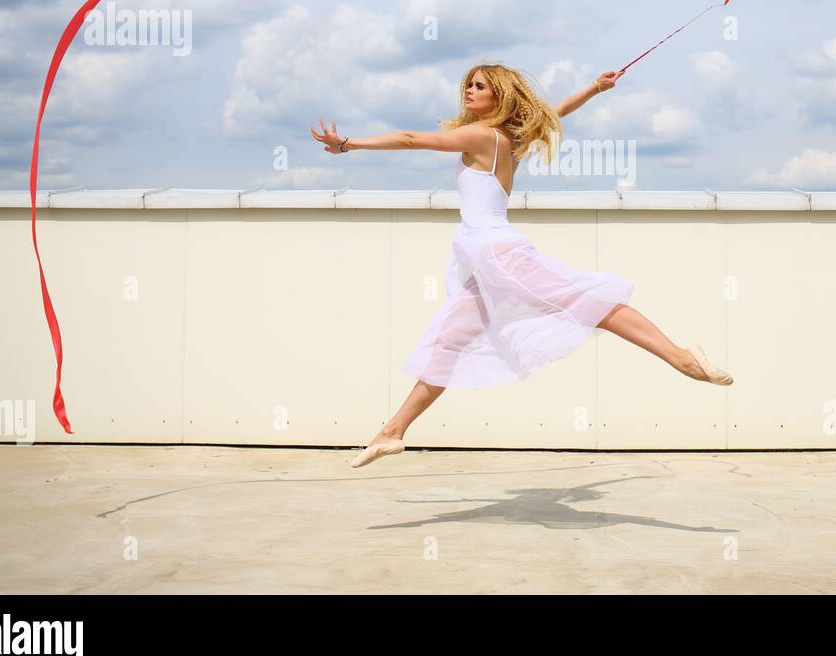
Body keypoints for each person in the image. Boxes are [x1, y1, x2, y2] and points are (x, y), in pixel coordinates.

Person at [310, 64, 732, 469]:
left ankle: (682, 357)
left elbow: (408, 139)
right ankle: (393, 431)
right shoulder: (506, 137)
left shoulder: (482, 137)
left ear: (499, 94)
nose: (469, 91)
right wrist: (594, 89)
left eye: (479, 86)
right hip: (483, 262)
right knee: (450, 343)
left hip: (500, 253)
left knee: (589, 303)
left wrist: (348, 144)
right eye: (468, 86)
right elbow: (555, 113)